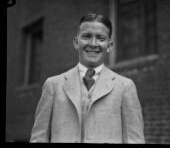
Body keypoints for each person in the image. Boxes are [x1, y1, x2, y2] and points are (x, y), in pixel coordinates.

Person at [30, 13, 145, 143]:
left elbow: (134, 140)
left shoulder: (125, 87)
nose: (93, 44)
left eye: (101, 38)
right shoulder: (53, 85)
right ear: (76, 42)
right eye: (86, 36)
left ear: (109, 46)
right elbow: (38, 138)